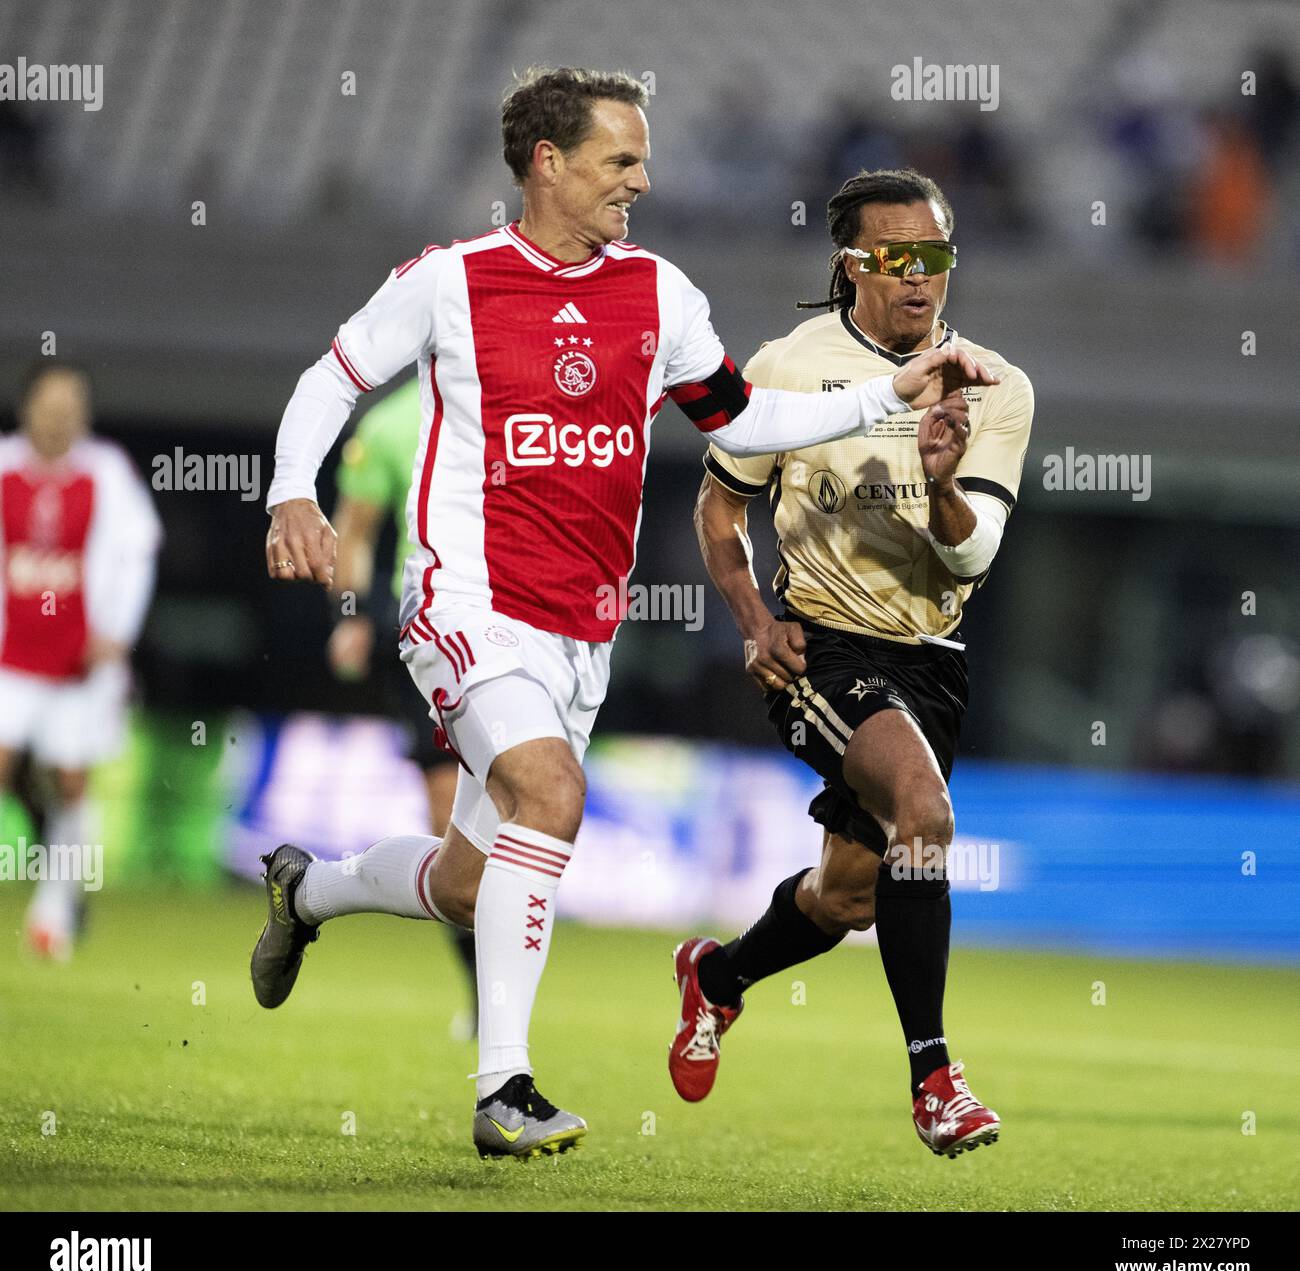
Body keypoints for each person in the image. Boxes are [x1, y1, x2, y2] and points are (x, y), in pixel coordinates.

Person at [254, 69, 997, 1161]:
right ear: (547, 163)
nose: (640, 180)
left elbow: (743, 416)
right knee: (551, 795)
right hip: (465, 598)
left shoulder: (656, 293)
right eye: (620, 160)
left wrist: (888, 393)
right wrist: (289, 490)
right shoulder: (450, 281)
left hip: (576, 634)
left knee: (470, 883)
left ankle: (304, 889)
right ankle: (503, 1086)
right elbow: (334, 375)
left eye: (642, 160)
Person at [672, 168, 1033, 1159]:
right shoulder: (789, 365)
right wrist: (751, 615)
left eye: (937, 256)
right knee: (923, 815)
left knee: (846, 898)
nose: (922, 278)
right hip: (820, 648)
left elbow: (972, 553)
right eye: (898, 258)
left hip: (934, 662)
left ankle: (716, 978)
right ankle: (934, 1078)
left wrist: (942, 483)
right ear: (853, 265)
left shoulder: (994, 385)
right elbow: (718, 505)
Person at [327, 376, 478, 1039]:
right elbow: (354, 531)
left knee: (526, 809)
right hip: (432, 637)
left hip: (526, 629)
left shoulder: (521, 396)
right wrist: (351, 614)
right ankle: (486, 1001)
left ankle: (316, 894)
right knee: (452, 828)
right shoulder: (388, 425)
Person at [0, 361, 162, 959]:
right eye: (53, 401)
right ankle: (51, 874)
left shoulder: (107, 472)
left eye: (75, 402)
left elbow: (139, 552)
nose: (64, 412)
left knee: (71, 781)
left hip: (80, 660)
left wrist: (117, 632)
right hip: (11, 654)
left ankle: (56, 910)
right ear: (27, 408)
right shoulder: (4, 467)